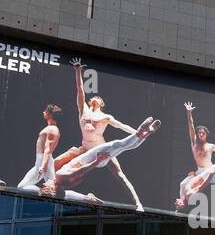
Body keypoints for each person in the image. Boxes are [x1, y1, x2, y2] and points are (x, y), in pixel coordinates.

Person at [49, 58, 153, 211]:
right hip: (85, 150)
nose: (96, 98)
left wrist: (134, 131)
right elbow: (80, 90)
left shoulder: (106, 117)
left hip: (102, 148)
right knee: (61, 166)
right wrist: (78, 71)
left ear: (101, 104)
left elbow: (122, 126)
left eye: (99, 98)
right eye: (94, 97)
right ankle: (47, 184)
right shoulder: (83, 110)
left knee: (121, 175)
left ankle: (138, 204)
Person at [43, 110, 161, 206]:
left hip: (96, 162)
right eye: (45, 186)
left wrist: (89, 197)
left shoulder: (62, 185)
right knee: (117, 145)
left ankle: (147, 132)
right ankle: (141, 131)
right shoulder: (60, 178)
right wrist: (97, 161)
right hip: (92, 159)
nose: (44, 183)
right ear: (52, 189)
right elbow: (81, 170)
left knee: (124, 147)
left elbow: (72, 189)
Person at [16, 104, 63, 193]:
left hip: (44, 161)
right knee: (21, 186)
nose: (43, 112)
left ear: (50, 115)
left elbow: (48, 149)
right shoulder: (51, 128)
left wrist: (43, 166)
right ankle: (45, 192)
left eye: (45, 111)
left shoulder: (52, 129)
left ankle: (85, 198)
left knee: (54, 191)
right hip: (41, 162)